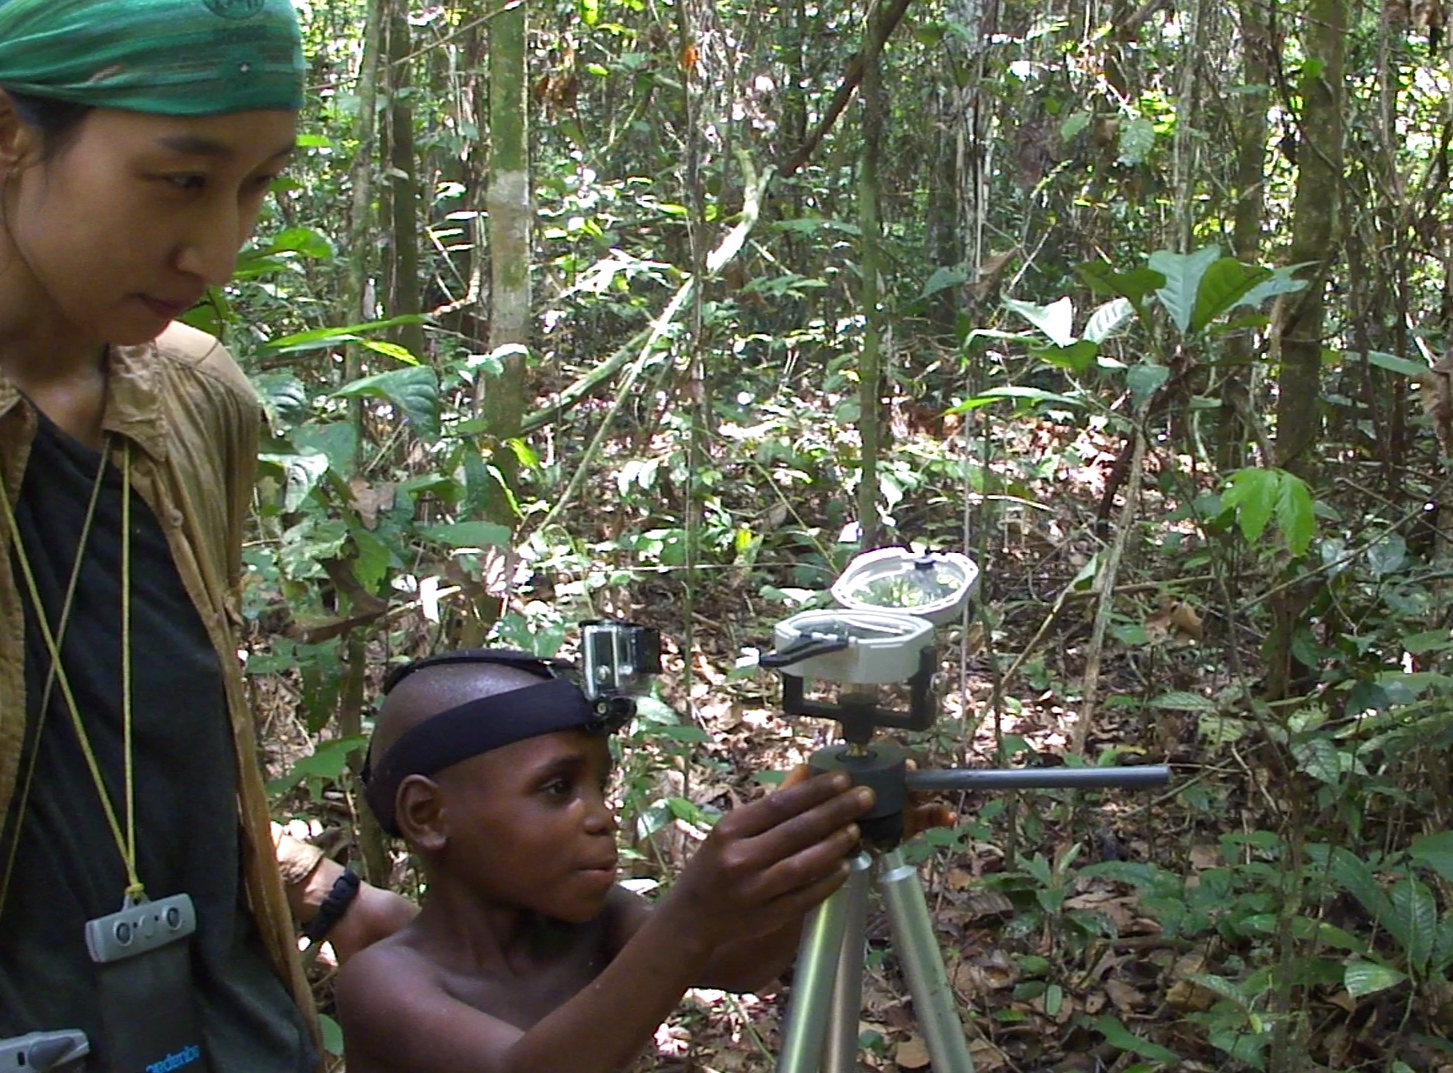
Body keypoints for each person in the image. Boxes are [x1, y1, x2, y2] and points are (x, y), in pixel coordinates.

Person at [0, 2, 412, 1069]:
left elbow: (159, 748)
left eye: (256, 183)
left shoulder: (193, 400)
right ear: (11, 133)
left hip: (219, 1026)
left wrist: (321, 893)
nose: (218, 248)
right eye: (181, 179)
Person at [335, 650, 881, 1073]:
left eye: (601, 785)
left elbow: (740, 965)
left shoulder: (593, 923)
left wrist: (826, 842)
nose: (601, 817)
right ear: (427, 815)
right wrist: (692, 910)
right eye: (556, 788)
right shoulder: (382, 982)